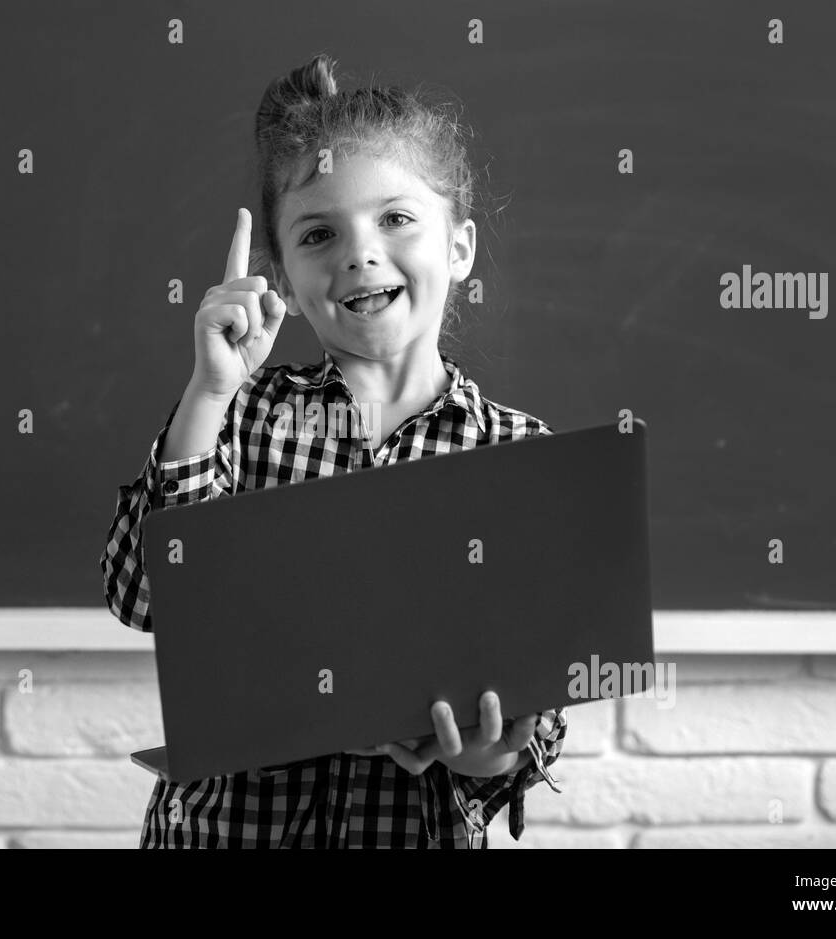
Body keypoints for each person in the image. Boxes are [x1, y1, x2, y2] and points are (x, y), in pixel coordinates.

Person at [100, 53, 567, 848]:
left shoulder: (517, 453)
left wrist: (494, 755)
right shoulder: (241, 420)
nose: (359, 253)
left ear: (458, 248)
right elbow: (143, 598)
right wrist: (210, 392)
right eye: (320, 234)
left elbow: (540, 705)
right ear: (281, 275)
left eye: (395, 219)